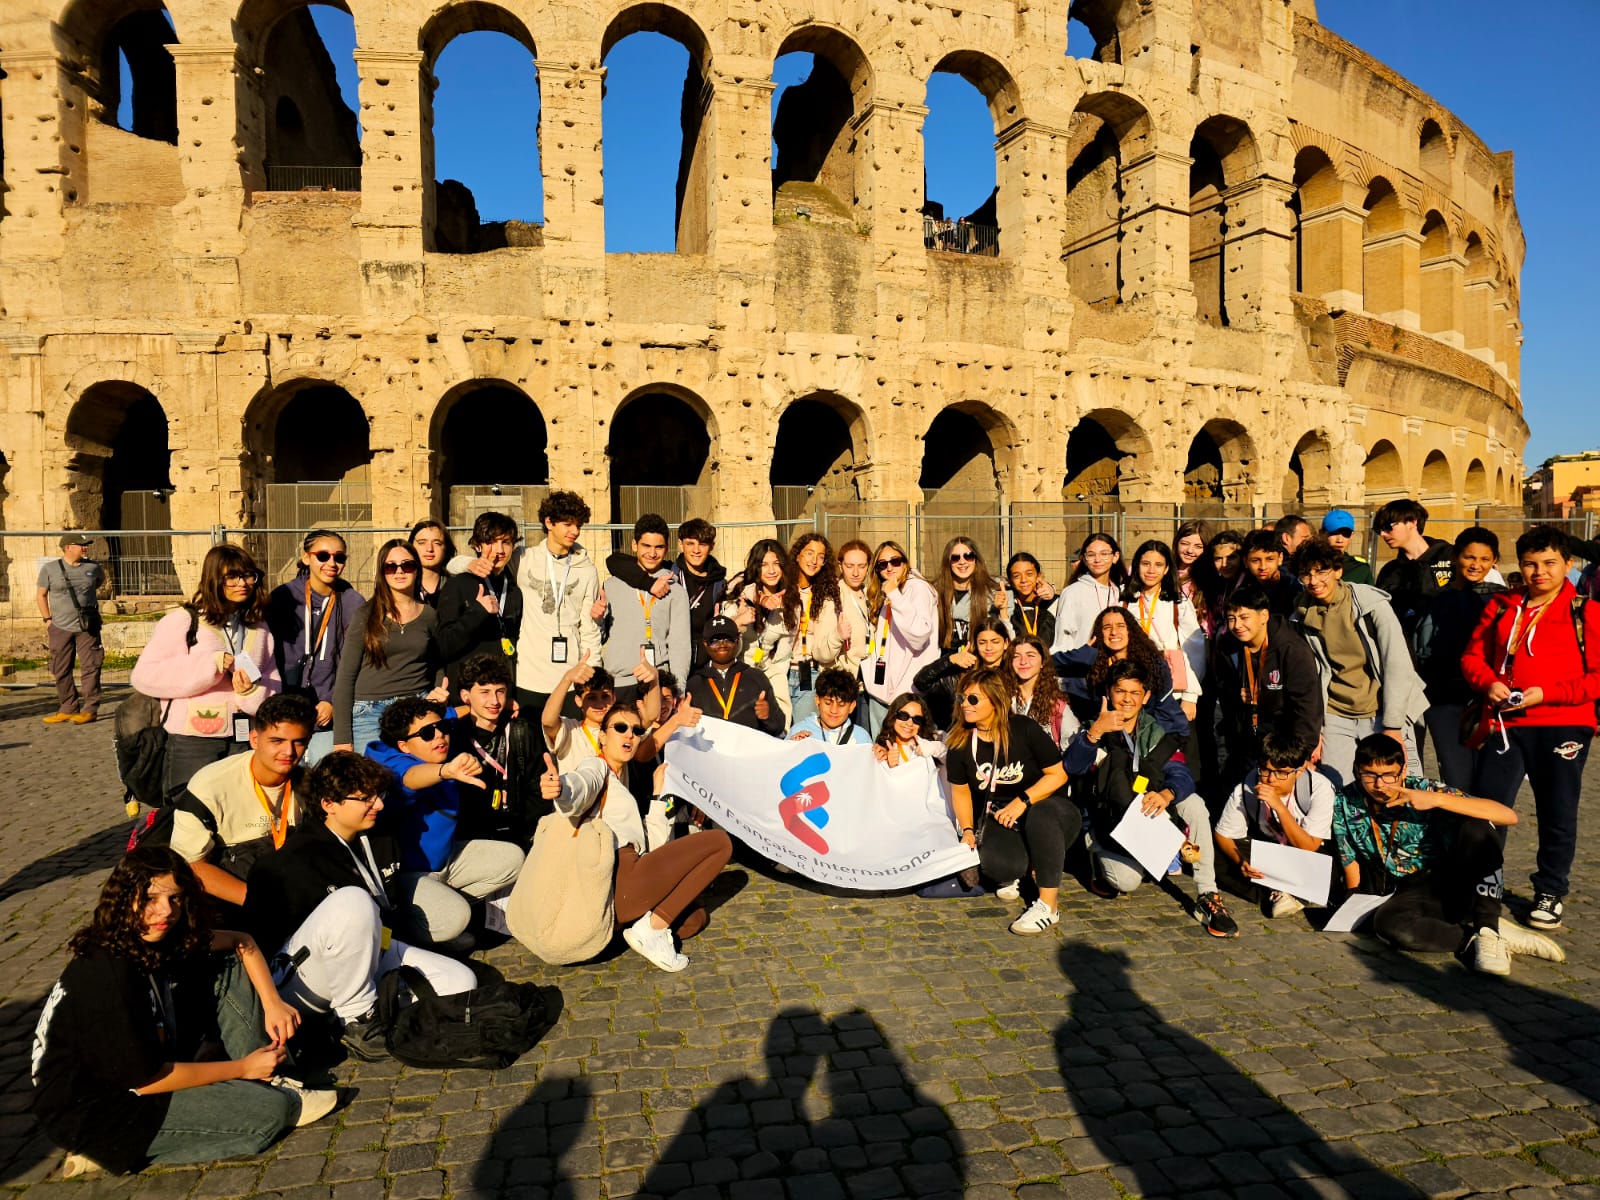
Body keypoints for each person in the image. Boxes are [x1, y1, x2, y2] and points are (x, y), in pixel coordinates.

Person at [31, 847, 337, 1177]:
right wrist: (241, 1068)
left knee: (225, 964)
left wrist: (273, 1003)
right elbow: (145, 1080)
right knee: (272, 1112)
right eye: (150, 898)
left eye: (175, 899)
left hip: (143, 1063)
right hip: (100, 1111)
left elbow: (240, 942)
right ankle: (110, 1151)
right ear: (124, 897)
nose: (165, 911)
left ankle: (267, 1077)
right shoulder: (109, 975)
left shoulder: (148, 938)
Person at [243, 752, 479, 1062]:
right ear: (329, 804)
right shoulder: (291, 862)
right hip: (296, 979)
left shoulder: (378, 835)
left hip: (366, 951)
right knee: (353, 901)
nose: (378, 805)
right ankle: (357, 1021)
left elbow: (406, 785)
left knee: (461, 982)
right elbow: (255, 941)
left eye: (378, 795)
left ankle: (371, 1013)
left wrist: (447, 771)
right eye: (365, 798)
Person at [1462, 525, 1600, 933]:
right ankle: (1484, 886)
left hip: (1564, 723)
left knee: (1557, 809)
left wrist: (1548, 693)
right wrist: (1488, 682)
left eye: (1549, 564)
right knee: (1488, 808)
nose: (1539, 572)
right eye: (1530, 564)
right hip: (1506, 724)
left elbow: (1596, 678)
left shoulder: (1586, 612)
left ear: (1567, 565)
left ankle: (1550, 890)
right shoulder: (1502, 607)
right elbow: (1472, 656)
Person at [1334, 734, 1564, 976]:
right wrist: (1354, 909)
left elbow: (1507, 816)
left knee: (1478, 827)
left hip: (1447, 880)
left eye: (1388, 775)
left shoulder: (1424, 789)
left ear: (1402, 771)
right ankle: (1480, 938)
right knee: (1388, 925)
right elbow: (1349, 859)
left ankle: (1487, 925)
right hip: (1407, 891)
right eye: (1369, 775)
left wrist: (1437, 800)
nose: (1380, 785)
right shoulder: (1345, 801)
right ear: (1357, 770)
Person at [536, 704, 734, 971]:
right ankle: (650, 929)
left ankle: (635, 927)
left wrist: (657, 796)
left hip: (628, 884)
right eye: (620, 728)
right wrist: (561, 788)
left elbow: (650, 845)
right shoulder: (597, 767)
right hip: (611, 881)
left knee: (694, 918)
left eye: (636, 730)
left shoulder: (624, 781)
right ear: (602, 736)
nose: (629, 735)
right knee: (719, 842)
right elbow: (580, 784)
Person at [1063, 662, 1237, 938]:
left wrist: (1167, 794)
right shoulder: (1091, 727)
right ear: (1109, 692)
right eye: (1120, 691)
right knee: (1127, 882)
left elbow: (1181, 773)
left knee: (1193, 804)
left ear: (1145, 697)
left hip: (1145, 814)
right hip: (1107, 824)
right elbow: (1072, 768)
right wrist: (1096, 732)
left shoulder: (1154, 731)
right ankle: (1096, 855)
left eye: (1135, 692)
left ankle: (1208, 895)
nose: (1127, 699)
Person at [365, 697, 525, 947]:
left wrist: (488, 705)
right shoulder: (390, 765)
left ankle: (442, 911)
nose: (440, 736)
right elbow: (410, 778)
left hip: (446, 861)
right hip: (408, 876)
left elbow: (450, 715)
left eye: (443, 729)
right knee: (457, 918)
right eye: (428, 733)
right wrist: (446, 771)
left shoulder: (431, 731)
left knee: (513, 859)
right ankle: (410, 933)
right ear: (403, 745)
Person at [132, 544, 281, 804]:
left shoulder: (260, 627)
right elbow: (145, 675)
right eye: (232, 577)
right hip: (194, 738)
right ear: (214, 579)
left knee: (239, 807)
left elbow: (272, 678)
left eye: (248, 575)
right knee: (191, 808)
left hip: (244, 736)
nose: (243, 583)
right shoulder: (185, 621)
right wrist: (209, 665)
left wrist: (251, 694)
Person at [946, 668, 1079, 935]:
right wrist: (968, 831)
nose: (965, 705)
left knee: (1041, 816)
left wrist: (1023, 800)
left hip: (1050, 810)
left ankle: (1048, 906)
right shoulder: (960, 743)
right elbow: (960, 791)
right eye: (962, 698)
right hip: (1001, 817)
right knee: (998, 866)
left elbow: (1059, 774)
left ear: (995, 701)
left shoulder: (1023, 728)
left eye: (973, 700)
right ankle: (1029, 864)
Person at [1289, 538, 1426, 787]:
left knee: (1394, 786)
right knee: (1338, 788)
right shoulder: (1300, 613)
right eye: (1305, 574)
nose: (1314, 581)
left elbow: (1397, 663)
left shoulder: (1370, 604)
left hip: (1381, 709)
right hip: (1335, 712)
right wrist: (1315, 730)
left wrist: (1393, 726)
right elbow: (1311, 677)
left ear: (1338, 571)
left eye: (1322, 571)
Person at [167, 693, 316, 918]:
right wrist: (263, 904)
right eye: (277, 741)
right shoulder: (209, 786)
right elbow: (191, 866)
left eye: (299, 742)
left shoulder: (310, 785)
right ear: (254, 739)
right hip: (231, 898)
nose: (289, 752)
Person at [1207, 584, 1325, 797]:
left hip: (1284, 735)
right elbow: (1224, 689)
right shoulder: (1227, 645)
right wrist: (1237, 693)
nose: (1237, 625)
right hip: (1245, 736)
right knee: (1236, 795)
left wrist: (1302, 755)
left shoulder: (1291, 648)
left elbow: (1306, 705)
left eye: (1244, 617)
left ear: (1264, 616)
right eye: (1231, 618)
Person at [1412, 527, 1505, 789]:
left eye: (1484, 559)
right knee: (1457, 781)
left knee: (1491, 784)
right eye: (1469, 557)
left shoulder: (1501, 602)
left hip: (1489, 701)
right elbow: (1423, 651)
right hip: (1444, 701)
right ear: (1455, 557)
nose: (1476, 565)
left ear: (1494, 561)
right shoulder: (1435, 601)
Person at [332, 540, 441, 754]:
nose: (399, 572)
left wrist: (436, 697)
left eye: (407, 565)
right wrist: (342, 739)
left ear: (416, 570)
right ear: (382, 573)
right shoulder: (365, 615)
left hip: (417, 706)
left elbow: (437, 663)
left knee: (418, 780)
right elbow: (345, 678)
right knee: (374, 780)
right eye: (391, 567)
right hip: (370, 710)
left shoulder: (429, 615)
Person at [1212, 731, 1336, 918]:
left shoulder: (1319, 788)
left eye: (1281, 773)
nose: (1270, 779)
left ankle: (1281, 891)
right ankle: (1280, 893)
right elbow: (1223, 834)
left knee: (1329, 867)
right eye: (1265, 770)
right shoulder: (1248, 785)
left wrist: (1279, 807)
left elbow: (1310, 846)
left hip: (1306, 853)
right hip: (1270, 851)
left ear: (1299, 771)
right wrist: (1241, 861)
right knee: (1214, 856)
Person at [267, 529, 364, 765]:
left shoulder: (352, 602)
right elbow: (269, 652)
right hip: (286, 706)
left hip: (326, 711)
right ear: (306, 557)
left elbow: (354, 661)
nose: (331, 563)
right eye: (323, 556)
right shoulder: (284, 597)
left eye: (339, 557)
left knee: (323, 777)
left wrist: (332, 700)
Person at [514, 489, 604, 715]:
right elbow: (479, 563)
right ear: (549, 522)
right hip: (528, 678)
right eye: (567, 524)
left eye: (578, 525)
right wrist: (467, 565)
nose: (575, 531)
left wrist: (594, 673)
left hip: (570, 678)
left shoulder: (587, 571)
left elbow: (588, 627)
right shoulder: (523, 559)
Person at [448, 653, 552, 848]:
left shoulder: (522, 731)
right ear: (465, 696)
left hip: (521, 834)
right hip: (471, 837)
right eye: (485, 692)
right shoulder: (454, 736)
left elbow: (538, 792)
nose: (494, 701)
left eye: (500, 691)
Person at [601, 514, 691, 702]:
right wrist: (596, 619)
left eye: (659, 547)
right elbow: (601, 635)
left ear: (667, 549)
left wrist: (678, 689)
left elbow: (679, 645)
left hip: (657, 681)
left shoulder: (676, 591)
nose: (652, 553)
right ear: (634, 545)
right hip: (619, 683)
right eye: (646, 546)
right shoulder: (611, 585)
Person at [1058, 607, 1187, 738]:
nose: (1114, 632)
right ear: (1099, 633)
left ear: (1130, 630)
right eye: (1107, 627)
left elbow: (1164, 710)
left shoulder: (1153, 664)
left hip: (1155, 736)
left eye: (1120, 626)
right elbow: (1043, 664)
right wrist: (1076, 656)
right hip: (1110, 739)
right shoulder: (1094, 665)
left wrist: (1160, 747)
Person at [860, 539, 941, 732]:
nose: (889, 568)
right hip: (883, 690)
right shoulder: (888, 592)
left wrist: (895, 595)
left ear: (905, 562)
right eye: (882, 564)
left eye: (895, 561)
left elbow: (920, 634)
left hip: (907, 693)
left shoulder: (916, 588)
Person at [435, 511, 523, 688]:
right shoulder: (458, 584)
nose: (499, 550)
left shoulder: (514, 589)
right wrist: (477, 613)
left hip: (500, 691)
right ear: (477, 545)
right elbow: (444, 646)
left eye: (505, 542)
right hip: (466, 691)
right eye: (491, 542)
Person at [1121, 539, 1205, 723]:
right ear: (1136, 566)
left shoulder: (1177, 601)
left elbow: (1193, 650)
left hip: (1171, 689)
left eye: (1158, 565)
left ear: (1167, 569)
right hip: (1131, 685)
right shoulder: (1123, 598)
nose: (1151, 570)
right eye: (1146, 564)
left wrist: (1190, 696)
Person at [543, 656, 663, 769]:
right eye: (592, 697)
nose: (600, 704)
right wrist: (567, 679)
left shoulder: (624, 727)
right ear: (578, 701)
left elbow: (651, 716)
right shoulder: (571, 730)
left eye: (605, 696)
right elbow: (548, 722)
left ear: (614, 697)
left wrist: (654, 680)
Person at [726, 539, 798, 724]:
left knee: (780, 714)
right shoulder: (741, 592)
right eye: (764, 565)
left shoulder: (790, 600)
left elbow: (783, 654)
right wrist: (740, 622)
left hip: (768, 670)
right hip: (737, 669)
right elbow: (722, 637)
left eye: (776, 564)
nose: (772, 570)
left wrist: (769, 682)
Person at [38, 532, 105, 726]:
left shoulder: (93, 568)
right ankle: (67, 708)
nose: (85, 548)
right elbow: (41, 595)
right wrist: (48, 620)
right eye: (81, 545)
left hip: (87, 627)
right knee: (60, 668)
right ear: (68, 547)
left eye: (86, 545)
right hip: (59, 627)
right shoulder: (50, 569)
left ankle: (90, 709)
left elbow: (98, 583)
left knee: (91, 667)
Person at [782, 532, 847, 726]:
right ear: (797, 555)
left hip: (809, 673)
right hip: (781, 671)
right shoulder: (782, 588)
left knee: (805, 732)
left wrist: (838, 635)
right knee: (779, 733)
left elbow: (824, 648)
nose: (814, 561)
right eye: (809, 553)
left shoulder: (826, 593)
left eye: (820, 556)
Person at [685, 616, 783, 736]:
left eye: (728, 639)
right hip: (710, 753)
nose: (722, 644)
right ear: (705, 644)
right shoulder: (695, 684)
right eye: (715, 640)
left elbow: (778, 727)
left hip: (746, 752)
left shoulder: (756, 677)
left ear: (737, 640)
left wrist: (768, 716)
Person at [1373, 499, 1455, 636]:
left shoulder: (1451, 556)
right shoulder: (1390, 571)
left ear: (1412, 522)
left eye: (1388, 527)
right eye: (1378, 530)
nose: (1382, 534)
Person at [915, 616, 1011, 729]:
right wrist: (950, 660)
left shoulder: (1014, 672)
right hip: (966, 734)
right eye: (982, 642)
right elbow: (921, 682)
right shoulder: (964, 673)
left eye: (995, 642)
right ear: (975, 644)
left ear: (1006, 643)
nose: (988, 647)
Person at [1050, 532, 1126, 654]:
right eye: (1091, 555)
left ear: (1115, 557)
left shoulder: (1120, 593)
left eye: (1104, 554)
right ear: (1084, 559)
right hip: (1084, 666)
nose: (1097, 559)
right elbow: (1063, 639)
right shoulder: (1072, 592)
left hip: (1117, 666)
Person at [933, 537, 1005, 655]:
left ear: (976, 560)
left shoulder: (993, 590)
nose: (962, 562)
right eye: (955, 558)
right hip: (944, 663)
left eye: (968, 556)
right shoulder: (934, 592)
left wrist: (1046, 593)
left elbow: (1024, 586)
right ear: (948, 562)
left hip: (979, 663)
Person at [671, 518, 727, 670]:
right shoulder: (669, 577)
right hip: (673, 659)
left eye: (702, 544)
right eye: (690, 544)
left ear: (711, 547)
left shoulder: (719, 584)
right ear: (680, 545)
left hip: (706, 663)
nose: (696, 550)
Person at [1011, 635, 1076, 748]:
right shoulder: (1003, 698)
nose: (1023, 661)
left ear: (1042, 662)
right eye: (1016, 656)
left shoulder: (1057, 706)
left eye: (1030, 655)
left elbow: (1072, 747)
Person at [787, 668, 872, 745]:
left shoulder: (862, 738)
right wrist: (791, 747)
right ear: (817, 701)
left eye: (841, 705)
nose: (834, 710)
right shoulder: (798, 731)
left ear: (852, 706)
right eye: (828, 703)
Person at [834, 540, 875, 695]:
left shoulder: (871, 595)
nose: (856, 573)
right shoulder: (835, 596)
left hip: (870, 680)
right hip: (844, 683)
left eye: (862, 566)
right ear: (840, 566)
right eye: (850, 566)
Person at [872, 692, 945, 765]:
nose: (909, 723)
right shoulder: (882, 750)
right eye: (903, 716)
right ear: (893, 716)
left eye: (917, 719)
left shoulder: (938, 738)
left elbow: (951, 760)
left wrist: (936, 748)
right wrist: (889, 766)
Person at [1241, 528, 1300, 616]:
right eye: (1255, 560)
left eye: (1270, 559)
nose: (1263, 567)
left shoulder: (1294, 586)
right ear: (1245, 561)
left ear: (1280, 558)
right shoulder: (1243, 587)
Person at [1006, 552, 1058, 648]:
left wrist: (1051, 588)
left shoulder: (1055, 603)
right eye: (1016, 576)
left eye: (1029, 574)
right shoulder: (1007, 606)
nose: (1023, 580)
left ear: (1039, 576)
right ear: (1010, 581)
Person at [408, 520, 457, 608]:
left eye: (437, 543)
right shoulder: (403, 587)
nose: (429, 549)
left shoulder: (457, 587)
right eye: (422, 543)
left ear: (446, 548)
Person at [1320, 509, 1374, 585]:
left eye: (1346, 534)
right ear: (1321, 533)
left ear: (1352, 536)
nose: (1340, 540)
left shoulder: (1361, 568)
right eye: (1334, 533)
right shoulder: (1309, 565)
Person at [1172, 520, 1212, 611]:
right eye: (1185, 544)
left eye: (1198, 546)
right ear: (1176, 543)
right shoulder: (1164, 572)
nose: (1190, 550)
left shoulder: (1209, 578)